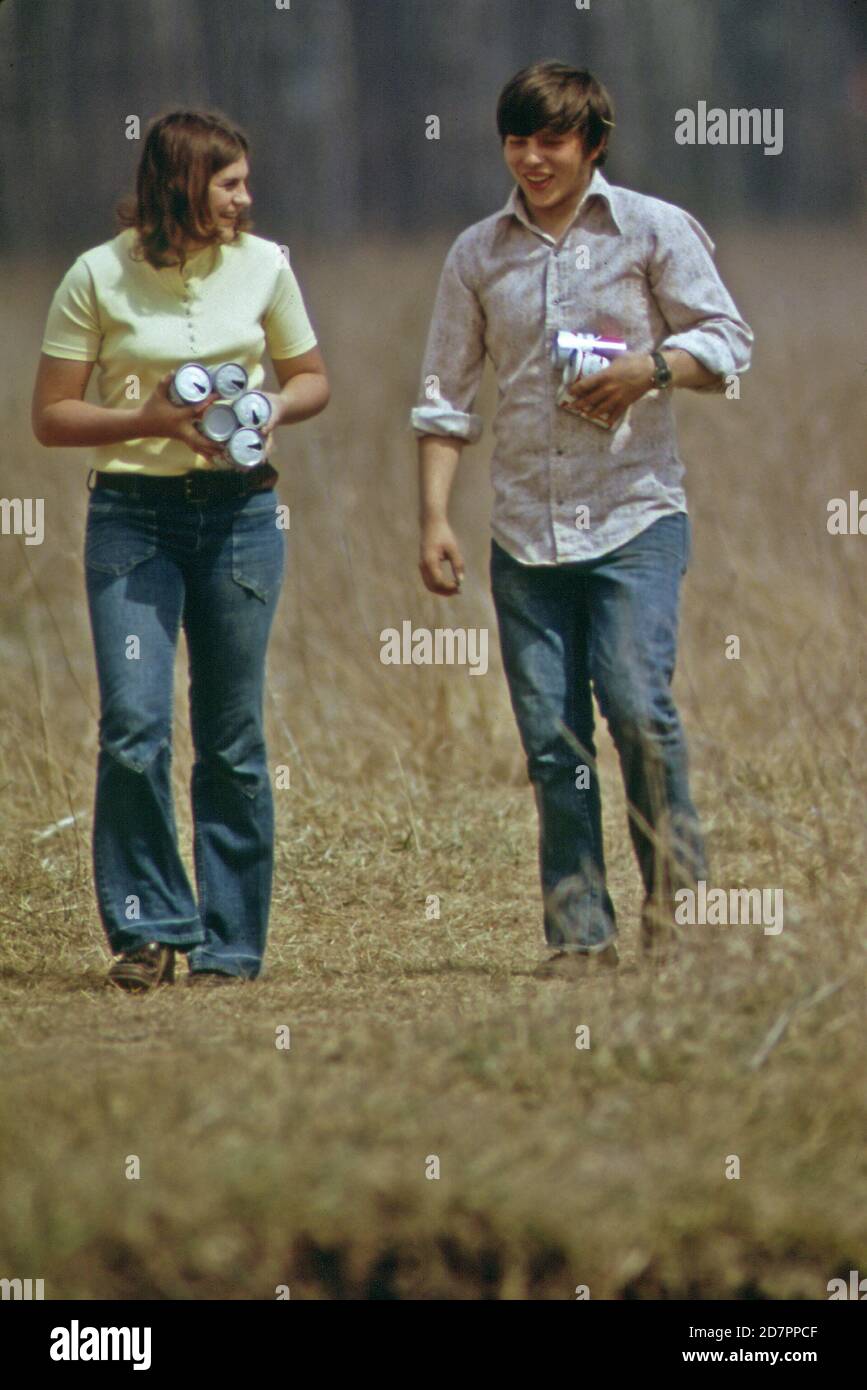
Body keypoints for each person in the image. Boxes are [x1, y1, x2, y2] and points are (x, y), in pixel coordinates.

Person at [412, 62, 753, 975]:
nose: (532, 158)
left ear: (592, 142)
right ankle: (579, 935)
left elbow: (730, 342)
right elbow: (445, 398)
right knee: (552, 742)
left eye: (551, 140)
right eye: (517, 140)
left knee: (638, 708)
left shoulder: (651, 228)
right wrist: (434, 520)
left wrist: (651, 366)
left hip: (636, 517)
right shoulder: (477, 254)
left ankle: (678, 905)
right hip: (524, 533)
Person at [32, 110, 329, 991]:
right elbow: (52, 417)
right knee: (134, 727)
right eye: (230, 182)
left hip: (241, 517)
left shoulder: (266, 264)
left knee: (232, 735)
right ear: (182, 184)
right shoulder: (95, 275)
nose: (246, 197)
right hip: (133, 519)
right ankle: (148, 927)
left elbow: (313, 377)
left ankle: (231, 944)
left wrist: (272, 407)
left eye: (245, 182)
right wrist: (147, 420)